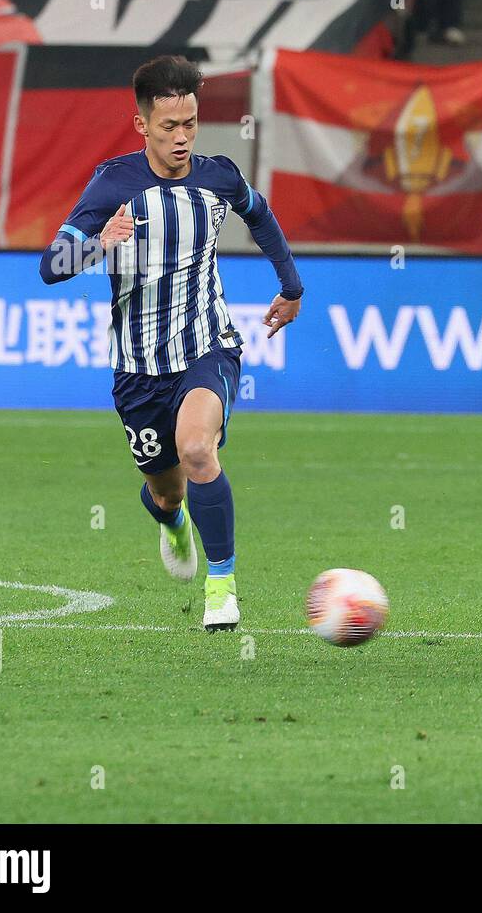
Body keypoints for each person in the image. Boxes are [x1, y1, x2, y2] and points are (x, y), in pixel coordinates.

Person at [38, 55, 303, 630]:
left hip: (208, 344)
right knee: (165, 490)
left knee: (198, 450)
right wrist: (97, 245)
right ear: (142, 125)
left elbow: (260, 215)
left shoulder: (218, 176)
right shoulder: (113, 184)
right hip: (137, 368)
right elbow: (50, 267)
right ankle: (172, 519)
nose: (182, 137)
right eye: (169, 127)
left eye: (190, 124)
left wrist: (291, 286)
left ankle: (222, 586)